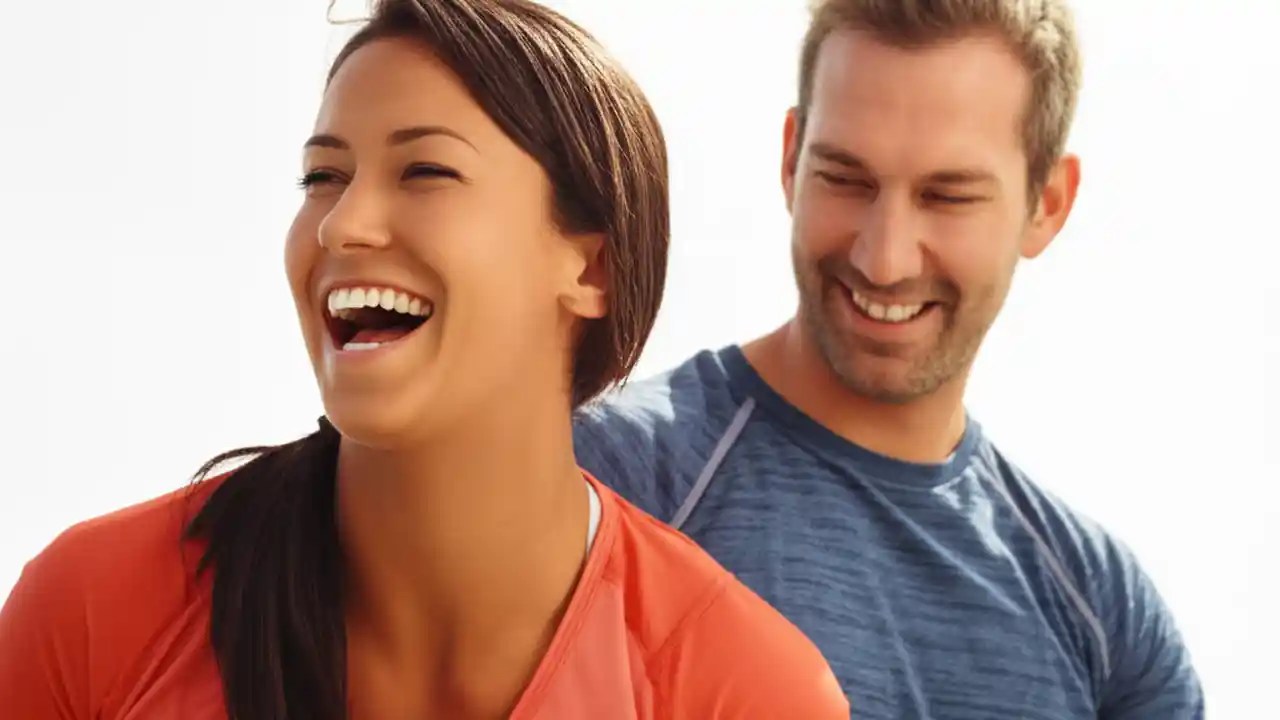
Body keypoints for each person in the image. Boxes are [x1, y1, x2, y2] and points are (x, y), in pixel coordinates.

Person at [0, 1, 850, 718]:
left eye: (425, 171)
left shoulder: (742, 689)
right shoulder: (90, 609)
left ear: (590, 266)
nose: (341, 224)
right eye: (323, 177)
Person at [574, 0, 1204, 718]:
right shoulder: (608, 483)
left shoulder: (1109, 618)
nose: (884, 257)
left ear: (1047, 204)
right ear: (791, 158)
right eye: (847, 180)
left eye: (947, 196)